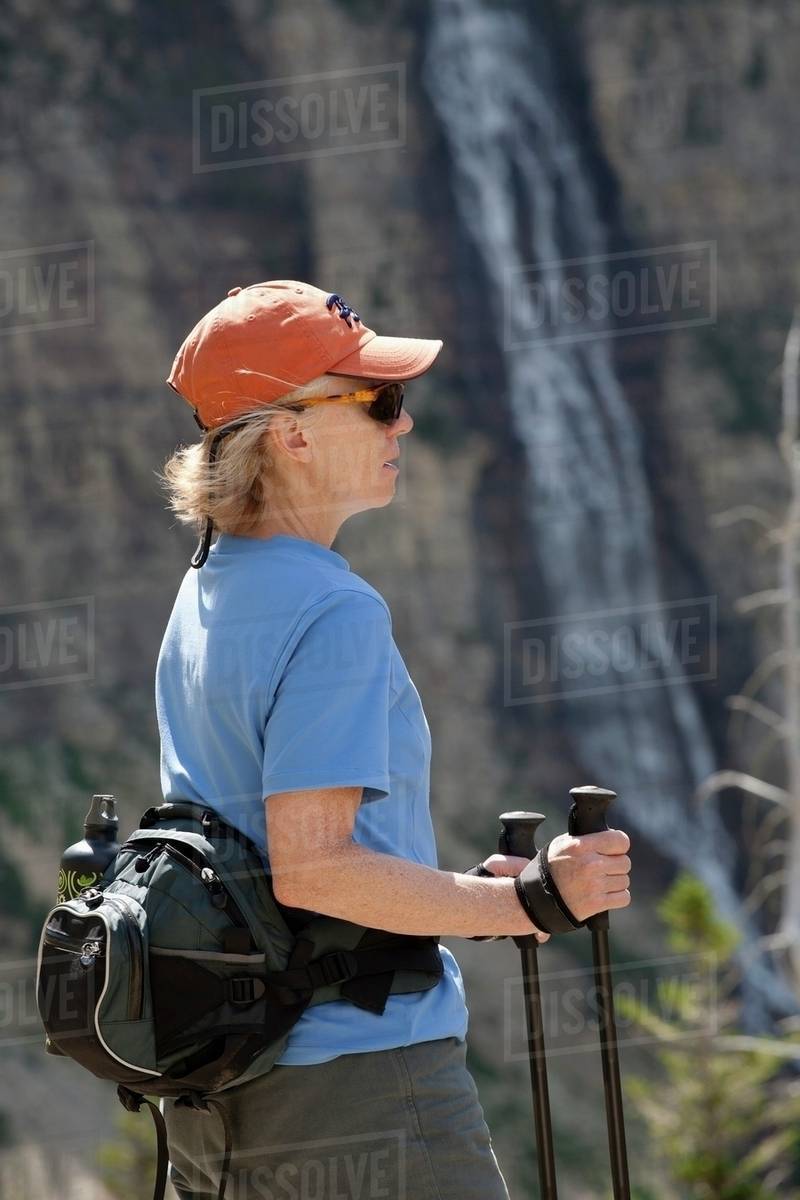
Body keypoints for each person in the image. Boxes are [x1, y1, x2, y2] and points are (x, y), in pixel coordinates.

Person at [155, 280, 632, 1199]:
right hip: (364, 1089)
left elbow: (266, 852)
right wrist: (533, 904)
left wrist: (460, 892)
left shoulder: (207, 588)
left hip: (219, 1094)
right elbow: (316, 871)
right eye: (379, 401)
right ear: (292, 433)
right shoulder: (334, 609)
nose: (401, 427)